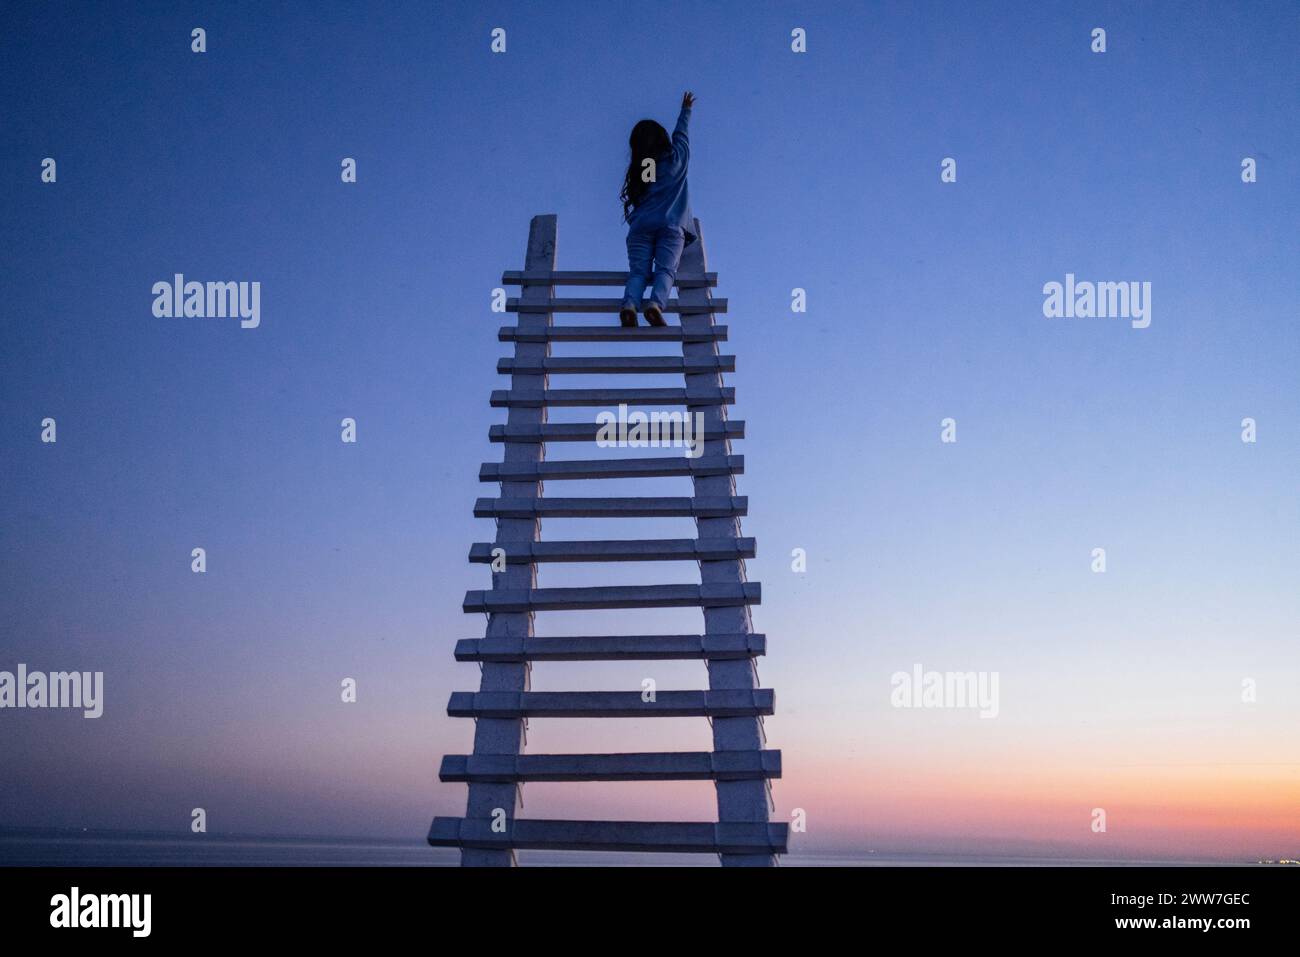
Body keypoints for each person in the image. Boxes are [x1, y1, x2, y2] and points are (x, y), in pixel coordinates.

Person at [618, 91, 697, 327]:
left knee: (638, 273)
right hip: (671, 224)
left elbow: (644, 194)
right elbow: (681, 135)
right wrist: (686, 111)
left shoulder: (647, 166)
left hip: (642, 226)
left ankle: (630, 304)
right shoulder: (677, 160)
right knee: (665, 269)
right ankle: (655, 304)